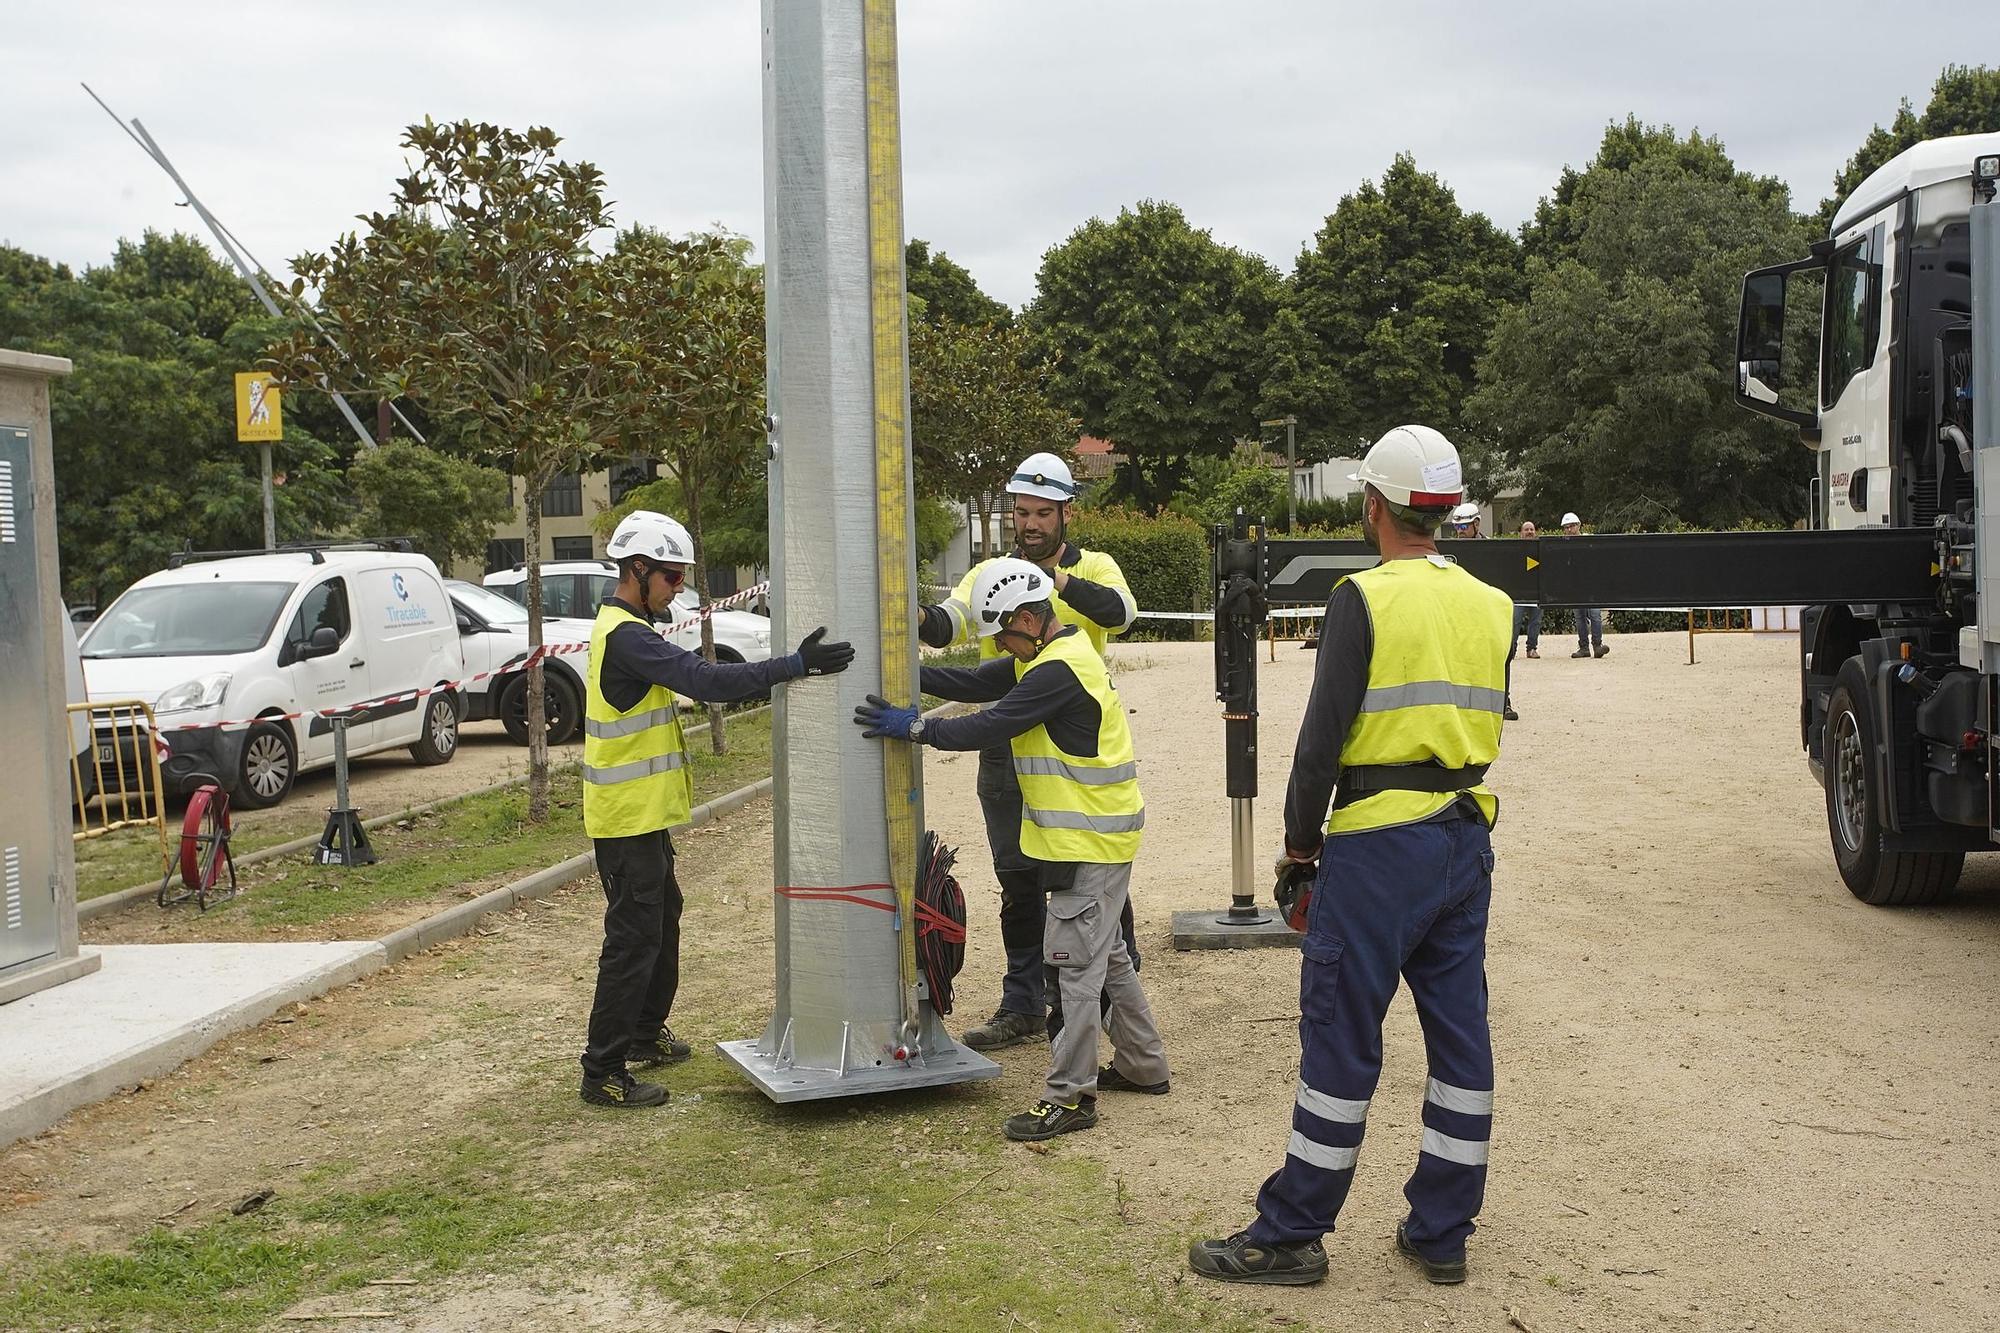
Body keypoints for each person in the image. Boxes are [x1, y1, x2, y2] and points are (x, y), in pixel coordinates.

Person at [1189, 424, 1510, 1288]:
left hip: (1376, 848)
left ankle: (1293, 1231)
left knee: (1340, 1041)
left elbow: (1321, 741)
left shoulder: (1361, 600)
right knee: (1460, 1040)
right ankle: (1442, 1231)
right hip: (1463, 834)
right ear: (1444, 510)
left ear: (1374, 504)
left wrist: (1298, 845)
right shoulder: (1493, 603)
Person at [858, 558, 1169, 1141]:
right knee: (1110, 956)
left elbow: (987, 724)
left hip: (1087, 841)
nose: (999, 644)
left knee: (1075, 969)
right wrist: (907, 673)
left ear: (1028, 617)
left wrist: (917, 729)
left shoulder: (1055, 673)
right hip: (1101, 836)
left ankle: (1070, 1097)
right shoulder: (1057, 653)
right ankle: (1143, 1064)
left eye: (1002, 631)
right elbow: (978, 682)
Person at [578, 510, 855, 1110]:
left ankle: (644, 1035)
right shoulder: (625, 636)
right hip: (626, 819)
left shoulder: (626, 627)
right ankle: (603, 1069)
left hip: (641, 816)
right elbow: (704, 680)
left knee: (660, 919)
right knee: (632, 939)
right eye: (673, 579)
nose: (679, 590)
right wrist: (792, 667)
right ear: (639, 570)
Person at [916, 452, 1140, 1052]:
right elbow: (949, 623)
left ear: (1068, 511)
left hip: (1073, 757)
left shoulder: (1093, 567)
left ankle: (1110, 1009)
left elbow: (1120, 613)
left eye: (1044, 513)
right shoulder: (991, 571)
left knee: (1088, 882)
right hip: (1011, 755)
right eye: (1022, 512)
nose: (1032, 524)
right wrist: (905, 612)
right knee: (1017, 881)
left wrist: (1051, 581)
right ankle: (1022, 1005)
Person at [1561, 512, 1608, 658]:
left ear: (1578, 526)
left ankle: (1597, 645)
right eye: (1566, 527)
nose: (1569, 529)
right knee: (1579, 616)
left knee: (1595, 614)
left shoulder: (1589, 540)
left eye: (1572, 526)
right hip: (1575, 585)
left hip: (1591, 584)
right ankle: (1584, 647)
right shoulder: (1563, 545)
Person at [1513, 522, 1542, 659]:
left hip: (1536, 592)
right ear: (1521, 533)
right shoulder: (1514, 549)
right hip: (1518, 593)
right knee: (1515, 621)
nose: (1529, 532)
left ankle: (1531, 649)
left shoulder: (1541, 548)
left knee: (1535, 621)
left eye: (1532, 529)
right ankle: (1511, 649)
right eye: (1526, 529)